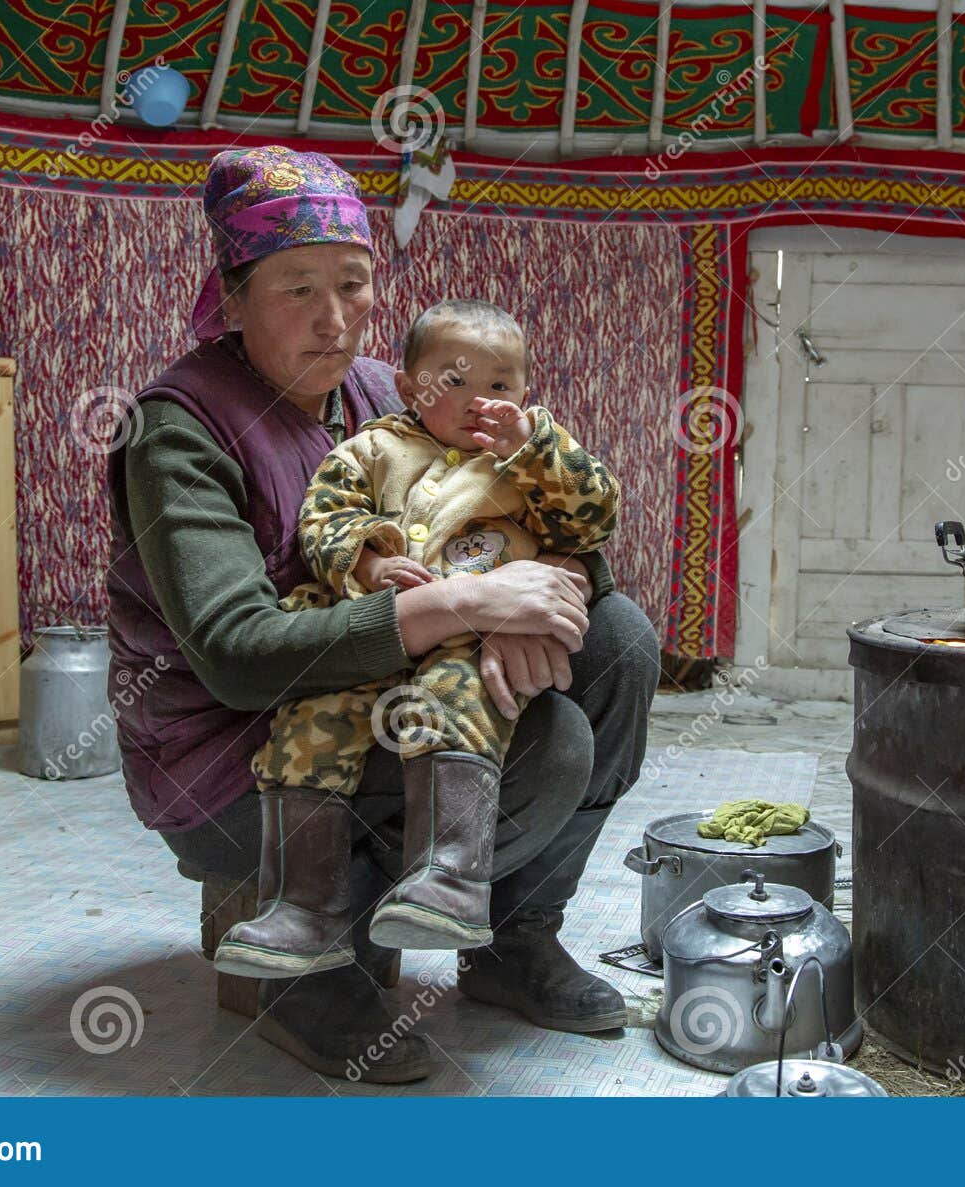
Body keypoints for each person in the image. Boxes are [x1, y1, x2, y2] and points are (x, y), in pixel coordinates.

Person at [103, 147, 658, 1084]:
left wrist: (539, 582)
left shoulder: (387, 392)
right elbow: (239, 656)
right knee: (547, 746)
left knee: (619, 644)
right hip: (233, 755)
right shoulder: (180, 429)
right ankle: (308, 966)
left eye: (353, 286)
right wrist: (466, 601)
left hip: (389, 688)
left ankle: (513, 941)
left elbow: (539, 511)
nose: (334, 319)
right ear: (232, 300)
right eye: (296, 290)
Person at [213, 298, 621, 977]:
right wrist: (368, 559)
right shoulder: (373, 447)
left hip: (469, 643)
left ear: (525, 391)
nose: (477, 402)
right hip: (368, 635)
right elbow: (324, 517)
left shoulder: (530, 458)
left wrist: (537, 449)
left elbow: (591, 518)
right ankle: (302, 910)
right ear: (409, 387)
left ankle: (451, 880)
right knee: (310, 727)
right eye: (453, 381)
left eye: (499, 386)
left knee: (458, 708)